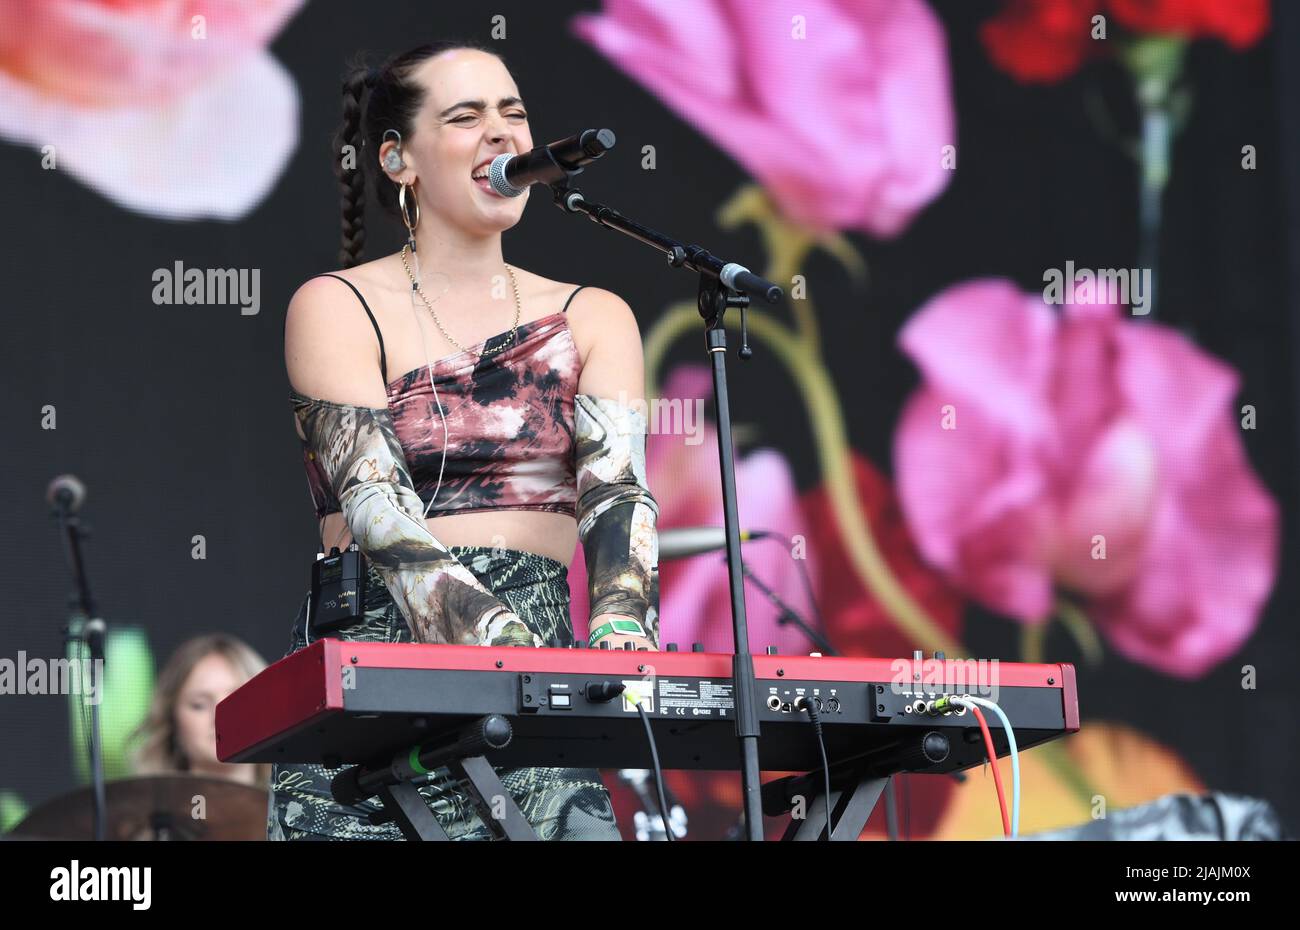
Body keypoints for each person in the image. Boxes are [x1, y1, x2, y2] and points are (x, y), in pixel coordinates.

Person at [268, 39, 660, 841]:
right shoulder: (337, 305)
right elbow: (377, 506)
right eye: (466, 115)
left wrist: (625, 632)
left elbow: (616, 493)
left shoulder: (594, 315)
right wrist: (500, 649)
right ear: (399, 159)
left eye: (513, 113)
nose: (502, 132)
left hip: (537, 709)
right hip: (375, 698)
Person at [131, 634, 271, 788]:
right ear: (172, 719)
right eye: (199, 705)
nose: (220, 718)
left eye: (237, 701)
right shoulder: (133, 810)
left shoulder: (297, 808)